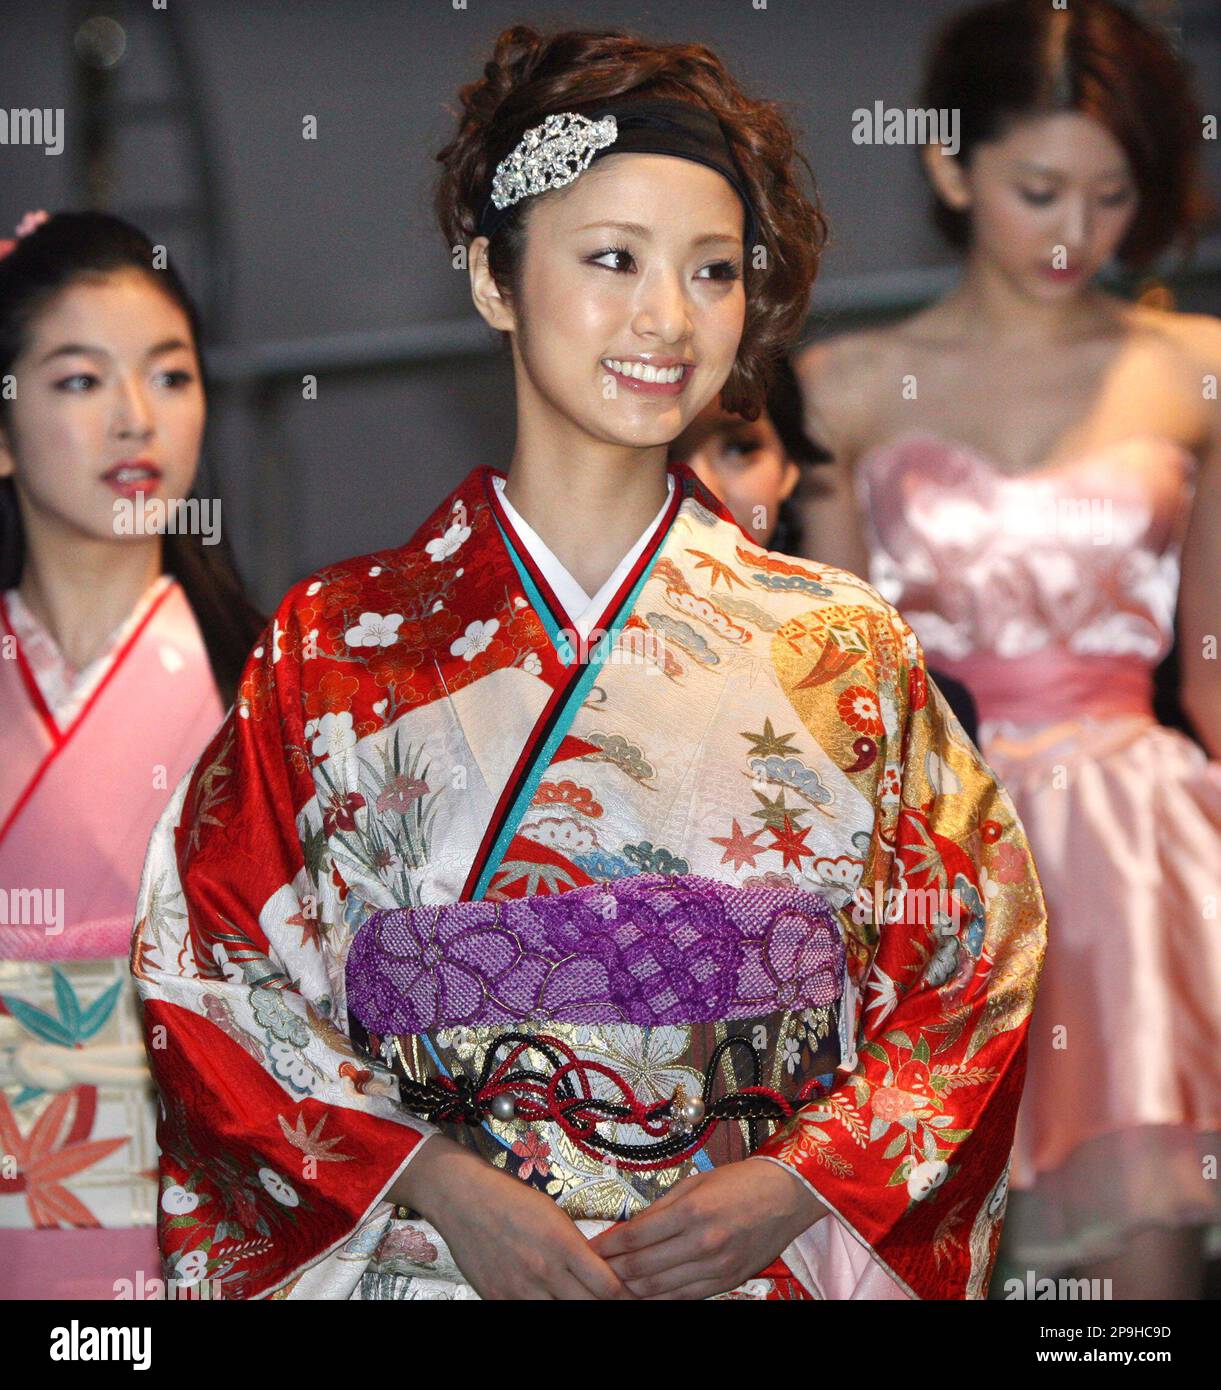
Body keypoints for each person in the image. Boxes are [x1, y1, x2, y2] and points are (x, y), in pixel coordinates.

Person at [131, 23, 1047, 1301]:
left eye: (714, 271)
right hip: (437, 1268)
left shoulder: (841, 647)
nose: (667, 319)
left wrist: (798, 1181)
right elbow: (208, 969)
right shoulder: (331, 648)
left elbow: (976, 956)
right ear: (495, 280)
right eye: (613, 258)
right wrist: (439, 1189)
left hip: (747, 1266)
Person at [792, 0, 1220, 1298]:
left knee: (1138, 1290)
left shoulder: (1195, 366)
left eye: (1110, 194)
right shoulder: (843, 387)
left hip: (1147, 862)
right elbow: (830, 708)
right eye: (1039, 189)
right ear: (949, 165)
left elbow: (1209, 667)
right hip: (936, 855)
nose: (1075, 233)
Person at [0, 210, 262, 1298]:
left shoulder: (273, 684)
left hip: (218, 1198)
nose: (135, 418)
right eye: (77, 380)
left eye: (169, 374)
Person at [670, 355, 981, 743]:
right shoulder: (586, 668)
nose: (705, 488)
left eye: (739, 449)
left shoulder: (910, 710)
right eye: (664, 454)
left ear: (788, 470)